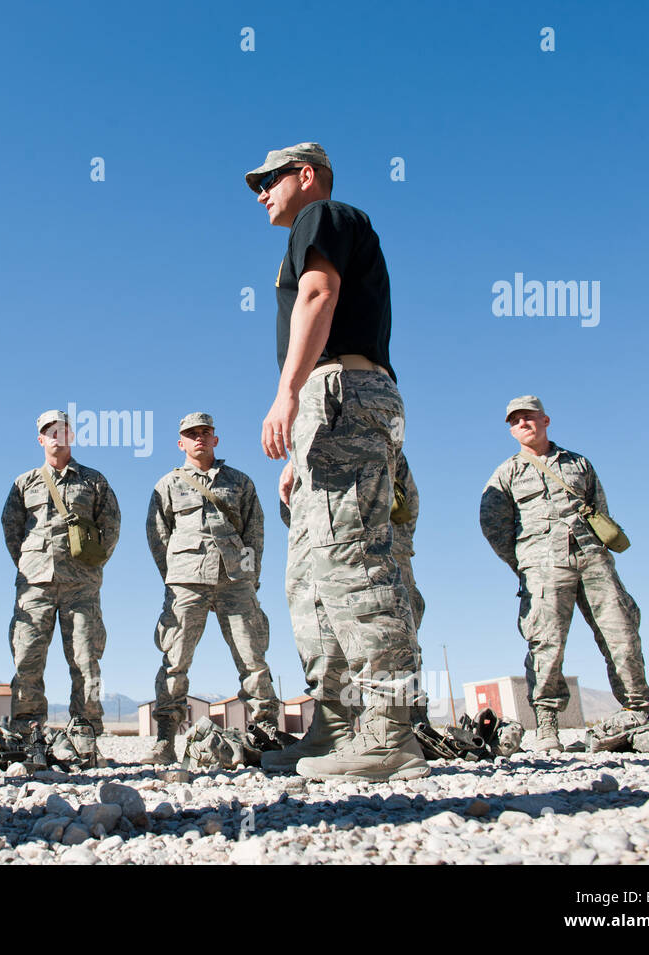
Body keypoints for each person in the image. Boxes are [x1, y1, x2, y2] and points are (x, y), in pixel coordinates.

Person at [250, 141, 427, 781]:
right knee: (310, 581)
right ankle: (334, 724)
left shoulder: (320, 216)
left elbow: (318, 295)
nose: (260, 193)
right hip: (328, 411)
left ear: (306, 176)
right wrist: (300, 438)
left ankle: (389, 727)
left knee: (351, 560)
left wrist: (288, 395)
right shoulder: (307, 225)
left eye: (267, 180)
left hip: (340, 393)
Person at [480, 395, 649, 752]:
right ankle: (547, 725)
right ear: (511, 430)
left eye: (528, 417)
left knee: (621, 631)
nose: (522, 424)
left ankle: (638, 712)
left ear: (545, 420)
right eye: (515, 421)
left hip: (592, 558)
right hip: (541, 567)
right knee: (546, 645)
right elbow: (493, 525)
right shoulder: (507, 472)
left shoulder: (579, 463)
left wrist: (597, 549)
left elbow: (599, 507)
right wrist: (524, 562)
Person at [265, 446, 428, 773]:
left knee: (359, 585)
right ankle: (332, 728)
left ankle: (390, 730)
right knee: (310, 599)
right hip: (313, 473)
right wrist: (297, 452)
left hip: (346, 462)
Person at [142, 413, 278, 764]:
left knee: (253, 658)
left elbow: (255, 532)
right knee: (175, 660)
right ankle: (166, 738)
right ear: (181, 443)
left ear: (215, 439)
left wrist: (250, 577)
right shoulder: (167, 485)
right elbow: (158, 536)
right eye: (191, 434)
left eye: (205, 433)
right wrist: (173, 575)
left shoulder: (239, 482)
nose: (199, 438)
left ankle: (266, 732)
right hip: (187, 581)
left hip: (235, 581)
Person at [2, 410, 120, 734]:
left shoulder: (93, 480)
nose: (57, 435)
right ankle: (28, 732)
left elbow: (111, 524)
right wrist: (29, 561)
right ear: (41, 439)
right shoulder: (23, 483)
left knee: (86, 661)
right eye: (49, 430)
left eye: (63, 429)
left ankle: (87, 731)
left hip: (81, 586)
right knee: (27, 658)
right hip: (34, 586)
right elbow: (11, 529)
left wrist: (92, 564)